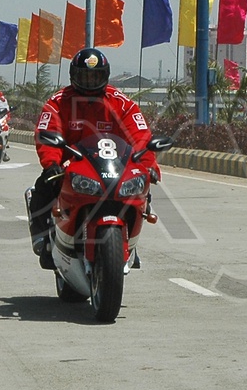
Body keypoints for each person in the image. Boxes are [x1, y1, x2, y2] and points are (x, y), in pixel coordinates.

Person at [27, 48, 158, 269]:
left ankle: (130, 243)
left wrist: (148, 166)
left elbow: (140, 136)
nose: (89, 82)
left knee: (142, 191)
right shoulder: (58, 102)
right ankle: (43, 239)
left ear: (104, 76)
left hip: (114, 167)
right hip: (72, 168)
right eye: (84, 76)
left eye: (95, 76)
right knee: (43, 187)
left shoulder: (122, 104)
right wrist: (51, 164)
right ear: (73, 76)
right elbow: (47, 134)